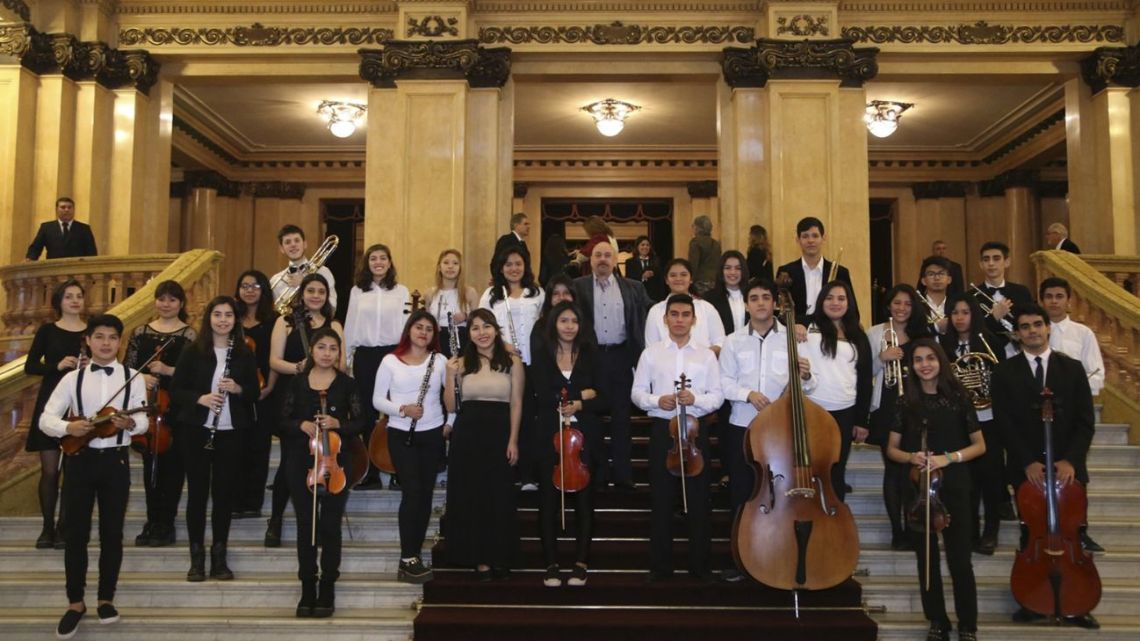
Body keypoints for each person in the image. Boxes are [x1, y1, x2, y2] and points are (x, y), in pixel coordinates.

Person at [39, 314, 147, 640]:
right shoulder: (72, 380)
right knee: (76, 534)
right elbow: (45, 419)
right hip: (80, 461)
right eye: (99, 336)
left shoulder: (133, 377)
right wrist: (68, 427)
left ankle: (105, 599)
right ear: (87, 340)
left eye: (112, 337)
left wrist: (132, 424)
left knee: (112, 533)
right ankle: (75, 602)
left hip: (116, 461)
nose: (105, 343)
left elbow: (144, 420)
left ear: (120, 342)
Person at [886, 338, 986, 641]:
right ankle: (938, 621)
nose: (924, 364)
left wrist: (948, 458)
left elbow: (980, 445)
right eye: (918, 360)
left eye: (930, 358)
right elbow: (892, 449)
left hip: (955, 485)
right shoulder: (905, 402)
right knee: (926, 561)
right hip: (918, 489)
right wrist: (911, 457)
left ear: (940, 361)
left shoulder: (959, 397)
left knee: (960, 560)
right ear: (911, 366)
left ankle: (967, 625)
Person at [993, 304, 1104, 572]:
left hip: (1068, 467)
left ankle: (1075, 594)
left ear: (1048, 328)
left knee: (1073, 531)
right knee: (1030, 533)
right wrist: (1027, 462)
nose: (1032, 331)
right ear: (1017, 334)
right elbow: (1004, 424)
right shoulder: (1004, 372)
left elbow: (1085, 422)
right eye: (1025, 327)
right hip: (1026, 469)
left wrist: (1071, 461)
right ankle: (1032, 592)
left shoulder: (1073, 368)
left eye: (1037, 325)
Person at [718, 278, 812, 580]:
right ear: (746, 305)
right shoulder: (733, 341)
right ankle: (742, 562)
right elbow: (724, 383)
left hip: (780, 430)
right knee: (742, 494)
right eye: (754, 298)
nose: (760, 303)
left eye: (766, 297)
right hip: (742, 426)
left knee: (781, 495)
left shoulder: (792, 338)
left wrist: (806, 377)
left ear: (775, 303)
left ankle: (779, 559)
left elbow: (811, 386)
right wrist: (748, 394)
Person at [632, 294, 723, 581]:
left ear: (694, 320)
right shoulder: (651, 354)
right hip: (664, 430)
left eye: (685, 315)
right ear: (665, 318)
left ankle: (701, 567)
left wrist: (696, 399)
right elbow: (636, 393)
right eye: (674, 314)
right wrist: (657, 400)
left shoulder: (706, 355)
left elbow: (717, 396)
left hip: (695, 431)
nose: (680, 320)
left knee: (699, 501)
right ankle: (660, 568)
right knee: (661, 500)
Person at [170, 296, 259, 583]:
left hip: (232, 431)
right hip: (197, 430)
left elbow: (255, 393)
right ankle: (196, 557)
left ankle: (219, 555)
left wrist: (238, 388)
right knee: (197, 494)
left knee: (224, 495)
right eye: (217, 314)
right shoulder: (193, 351)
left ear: (235, 320)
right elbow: (176, 390)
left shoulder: (244, 353)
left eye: (228, 315)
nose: (223, 320)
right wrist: (201, 398)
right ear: (209, 318)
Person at [281, 328, 364, 618]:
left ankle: (327, 585)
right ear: (312, 350)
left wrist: (338, 423)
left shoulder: (347, 384)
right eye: (321, 347)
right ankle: (307, 586)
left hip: (336, 463)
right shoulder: (297, 383)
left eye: (333, 348)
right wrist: (300, 425)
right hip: (300, 462)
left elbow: (361, 422)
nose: (327, 353)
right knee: (306, 525)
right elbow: (281, 420)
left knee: (329, 525)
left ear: (339, 353)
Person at [443, 309, 524, 580]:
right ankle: (479, 559)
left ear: (496, 329)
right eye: (475, 328)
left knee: (499, 496)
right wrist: (449, 376)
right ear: (469, 334)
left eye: (486, 326)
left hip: (500, 433)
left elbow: (517, 403)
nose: (482, 333)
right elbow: (451, 406)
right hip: (467, 435)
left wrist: (513, 440)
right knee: (472, 497)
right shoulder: (461, 363)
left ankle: (500, 556)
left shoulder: (512, 361)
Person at [265, 275, 345, 547]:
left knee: (321, 459)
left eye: (321, 291)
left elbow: (341, 364)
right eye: (311, 290)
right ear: (302, 293)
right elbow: (274, 361)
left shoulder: (334, 324)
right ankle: (276, 519)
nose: (316, 296)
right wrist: (299, 368)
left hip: (324, 395)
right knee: (290, 462)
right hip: (294, 395)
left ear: (327, 296)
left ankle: (317, 521)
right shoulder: (285, 321)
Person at [531, 301, 606, 587]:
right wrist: (582, 394)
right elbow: (541, 394)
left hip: (585, 439)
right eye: (564, 320)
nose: (569, 326)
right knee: (548, 503)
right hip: (549, 437)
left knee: (585, 503)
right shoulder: (542, 355)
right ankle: (551, 564)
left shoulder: (591, 354)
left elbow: (606, 397)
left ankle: (581, 563)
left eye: (574, 321)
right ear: (554, 323)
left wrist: (581, 404)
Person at [373, 311, 451, 584]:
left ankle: (413, 556)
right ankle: (407, 556)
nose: (423, 332)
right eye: (419, 327)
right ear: (409, 329)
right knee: (412, 491)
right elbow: (377, 400)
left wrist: (450, 422)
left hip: (432, 433)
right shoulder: (389, 361)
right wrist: (402, 409)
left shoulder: (440, 361)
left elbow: (451, 397)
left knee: (425, 494)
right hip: (400, 433)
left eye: (429, 329)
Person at [572, 240, 651, 490]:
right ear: (591, 260)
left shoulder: (634, 288)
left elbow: (651, 316)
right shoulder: (578, 287)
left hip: (621, 357)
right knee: (590, 417)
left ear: (616, 260)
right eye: (598, 255)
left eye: (608, 255)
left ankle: (622, 473)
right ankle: (596, 472)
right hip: (590, 359)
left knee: (621, 418)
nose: (603, 259)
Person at [123, 280, 196, 548]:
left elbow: (195, 374)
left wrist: (168, 371)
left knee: (173, 468)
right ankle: (152, 521)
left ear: (181, 303)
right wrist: (141, 377)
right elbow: (127, 369)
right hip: (148, 408)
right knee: (150, 467)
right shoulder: (140, 333)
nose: (166, 304)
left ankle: (166, 523)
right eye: (162, 299)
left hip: (176, 408)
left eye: (172, 300)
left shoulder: (189, 335)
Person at [939, 293, 1010, 554]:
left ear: (974, 315)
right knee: (965, 483)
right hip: (958, 423)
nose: (959, 318)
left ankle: (990, 533)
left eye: (965, 312)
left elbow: (1001, 379)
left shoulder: (991, 343)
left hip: (988, 419)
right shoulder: (944, 346)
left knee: (991, 480)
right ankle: (968, 532)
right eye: (955, 313)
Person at [24, 280, 88, 550]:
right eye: (69, 296)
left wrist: (90, 365)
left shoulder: (91, 331)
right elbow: (30, 366)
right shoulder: (47, 330)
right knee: (50, 471)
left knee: (73, 473)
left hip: (80, 405)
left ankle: (64, 527)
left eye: (79, 296)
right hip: (51, 403)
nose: (75, 300)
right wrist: (57, 365)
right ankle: (47, 527)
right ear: (59, 301)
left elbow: (109, 363)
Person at [867, 284, 930, 549]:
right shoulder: (875, 333)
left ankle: (914, 528)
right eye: (897, 303)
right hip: (886, 407)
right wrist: (881, 358)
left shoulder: (922, 334)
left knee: (913, 471)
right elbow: (862, 372)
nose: (902, 308)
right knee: (893, 470)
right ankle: (897, 531)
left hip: (916, 408)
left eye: (907, 303)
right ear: (888, 305)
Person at [343, 244, 410, 489]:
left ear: (390, 262)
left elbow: (406, 325)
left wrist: (407, 357)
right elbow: (350, 325)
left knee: (395, 412)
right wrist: (346, 360)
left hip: (393, 354)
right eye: (373, 258)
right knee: (367, 414)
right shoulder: (357, 291)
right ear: (367, 263)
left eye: (383, 258)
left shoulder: (401, 291)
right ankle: (370, 473)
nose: (378, 262)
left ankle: (397, 470)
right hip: (365, 356)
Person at [800, 281, 872, 502]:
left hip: (846, 410)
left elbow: (865, 379)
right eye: (829, 298)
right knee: (812, 469)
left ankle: (836, 516)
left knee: (837, 470)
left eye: (841, 298)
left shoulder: (857, 335)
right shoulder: (808, 326)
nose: (835, 303)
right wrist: (796, 325)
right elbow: (784, 323)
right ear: (821, 301)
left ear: (849, 303)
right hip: (813, 409)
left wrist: (861, 420)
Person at [480, 246, 545, 489]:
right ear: (500, 268)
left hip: (531, 365)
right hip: (501, 364)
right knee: (501, 420)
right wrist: (503, 344)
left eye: (518, 263)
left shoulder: (536, 293)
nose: (514, 268)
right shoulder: (490, 294)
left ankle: (527, 474)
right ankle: (504, 474)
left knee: (527, 419)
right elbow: (481, 327)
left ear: (525, 266)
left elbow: (545, 327)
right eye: (508, 264)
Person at [232, 270, 278, 519]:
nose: (250, 290)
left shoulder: (274, 320)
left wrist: (269, 386)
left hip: (265, 390)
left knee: (259, 446)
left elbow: (276, 357)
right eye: (245, 286)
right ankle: (235, 499)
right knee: (236, 446)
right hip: (236, 391)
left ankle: (252, 502)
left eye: (255, 286)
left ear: (264, 290)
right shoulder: (231, 319)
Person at [776, 216, 854, 327]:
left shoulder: (840, 272)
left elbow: (852, 310)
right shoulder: (786, 272)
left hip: (830, 331)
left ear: (824, 238)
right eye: (805, 236)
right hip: (796, 331)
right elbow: (780, 312)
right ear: (798, 239)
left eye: (815, 236)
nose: (810, 240)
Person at [644, 258, 726, 354]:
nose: (678, 279)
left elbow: (720, 343)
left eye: (683, 275)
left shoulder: (707, 308)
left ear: (691, 279)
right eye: (673, 275)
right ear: (666, 280)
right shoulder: (655, 311)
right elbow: (651, 349)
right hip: (665, 363)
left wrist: (700, 357)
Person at [1040, 277, 1104, 397]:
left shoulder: (1084, 333)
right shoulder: (1032, 333)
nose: (1054, 301)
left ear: (1068, 300)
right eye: (1049, 296)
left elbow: (1097, 374)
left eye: (1059, 296)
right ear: (1042, 301)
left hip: (1074, 398)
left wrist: (1072, 384)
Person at [972, 241, 1032, 342]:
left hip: (1019, 348)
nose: (991, 263)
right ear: (981, 264)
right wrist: (994, 317)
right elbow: (972, 331)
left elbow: (1031, 320)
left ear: (1007, 262)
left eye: (996, 259)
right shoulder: (971, 296)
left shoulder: (1022, 292)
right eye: (986, 259)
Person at [270, 224, 338, 313]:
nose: (293, 245)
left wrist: (305, 284)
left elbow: (332, 308)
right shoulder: (275, 281)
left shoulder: (323, 272)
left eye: (297, 240)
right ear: (281, 249)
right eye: (287, 242)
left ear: (305, 244)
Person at [425, 248, 480, 359]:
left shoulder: (470, 292)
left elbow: (478, 321)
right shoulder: (430, 293)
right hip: (436, 341)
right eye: (446, 263)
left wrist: (466, 316)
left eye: (455, 263)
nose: (450, 266)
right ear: (439, 267)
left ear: (460, 268)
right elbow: (425, 320)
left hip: (462, 341)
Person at [25, 197, 97, 261]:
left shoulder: (84, 229)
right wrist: (30, 258)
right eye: (63, 207)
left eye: (69, 207)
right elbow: (36, 248)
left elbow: (91, 252)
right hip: (54, 268)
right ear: (56, 209)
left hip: (76, 268)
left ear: (74, 209)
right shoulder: (46, 228)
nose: (67, 210)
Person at [704, 251, 751, 335]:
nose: (733, 272)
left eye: (738, 268)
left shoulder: (752, 296)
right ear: (721, 271)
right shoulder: (709, 298)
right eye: (728, 268)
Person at [917, 256, 955, 335]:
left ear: (949, 279)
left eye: (941, 273)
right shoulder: (916, 305)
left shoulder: (956, 305)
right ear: (923, 281)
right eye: (931, 274)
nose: (937, 278)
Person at [687, 215, 722, 295]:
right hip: (714, 281)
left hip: (700, 282)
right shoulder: (716, 244)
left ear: (698, 228)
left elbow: (693, 264)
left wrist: (690, 280)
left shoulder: (695, 242)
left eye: (693, 226)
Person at [492, 213, 532, 279]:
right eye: (525, 224)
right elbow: (496, 263)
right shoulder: (506, 240)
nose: (528, 227)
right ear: (516, 225)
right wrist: (500, 281)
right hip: (507, 282)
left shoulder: (522, 243)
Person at [624, 235, 664, 301]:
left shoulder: (656, 261)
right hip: (637, 297)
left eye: (647, 245)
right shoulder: (630, 262)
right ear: (637, 247)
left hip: (654, 298)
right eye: (642, 245)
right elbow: (629, 280)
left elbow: (661, 282)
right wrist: (642, 277)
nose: (645, 247)